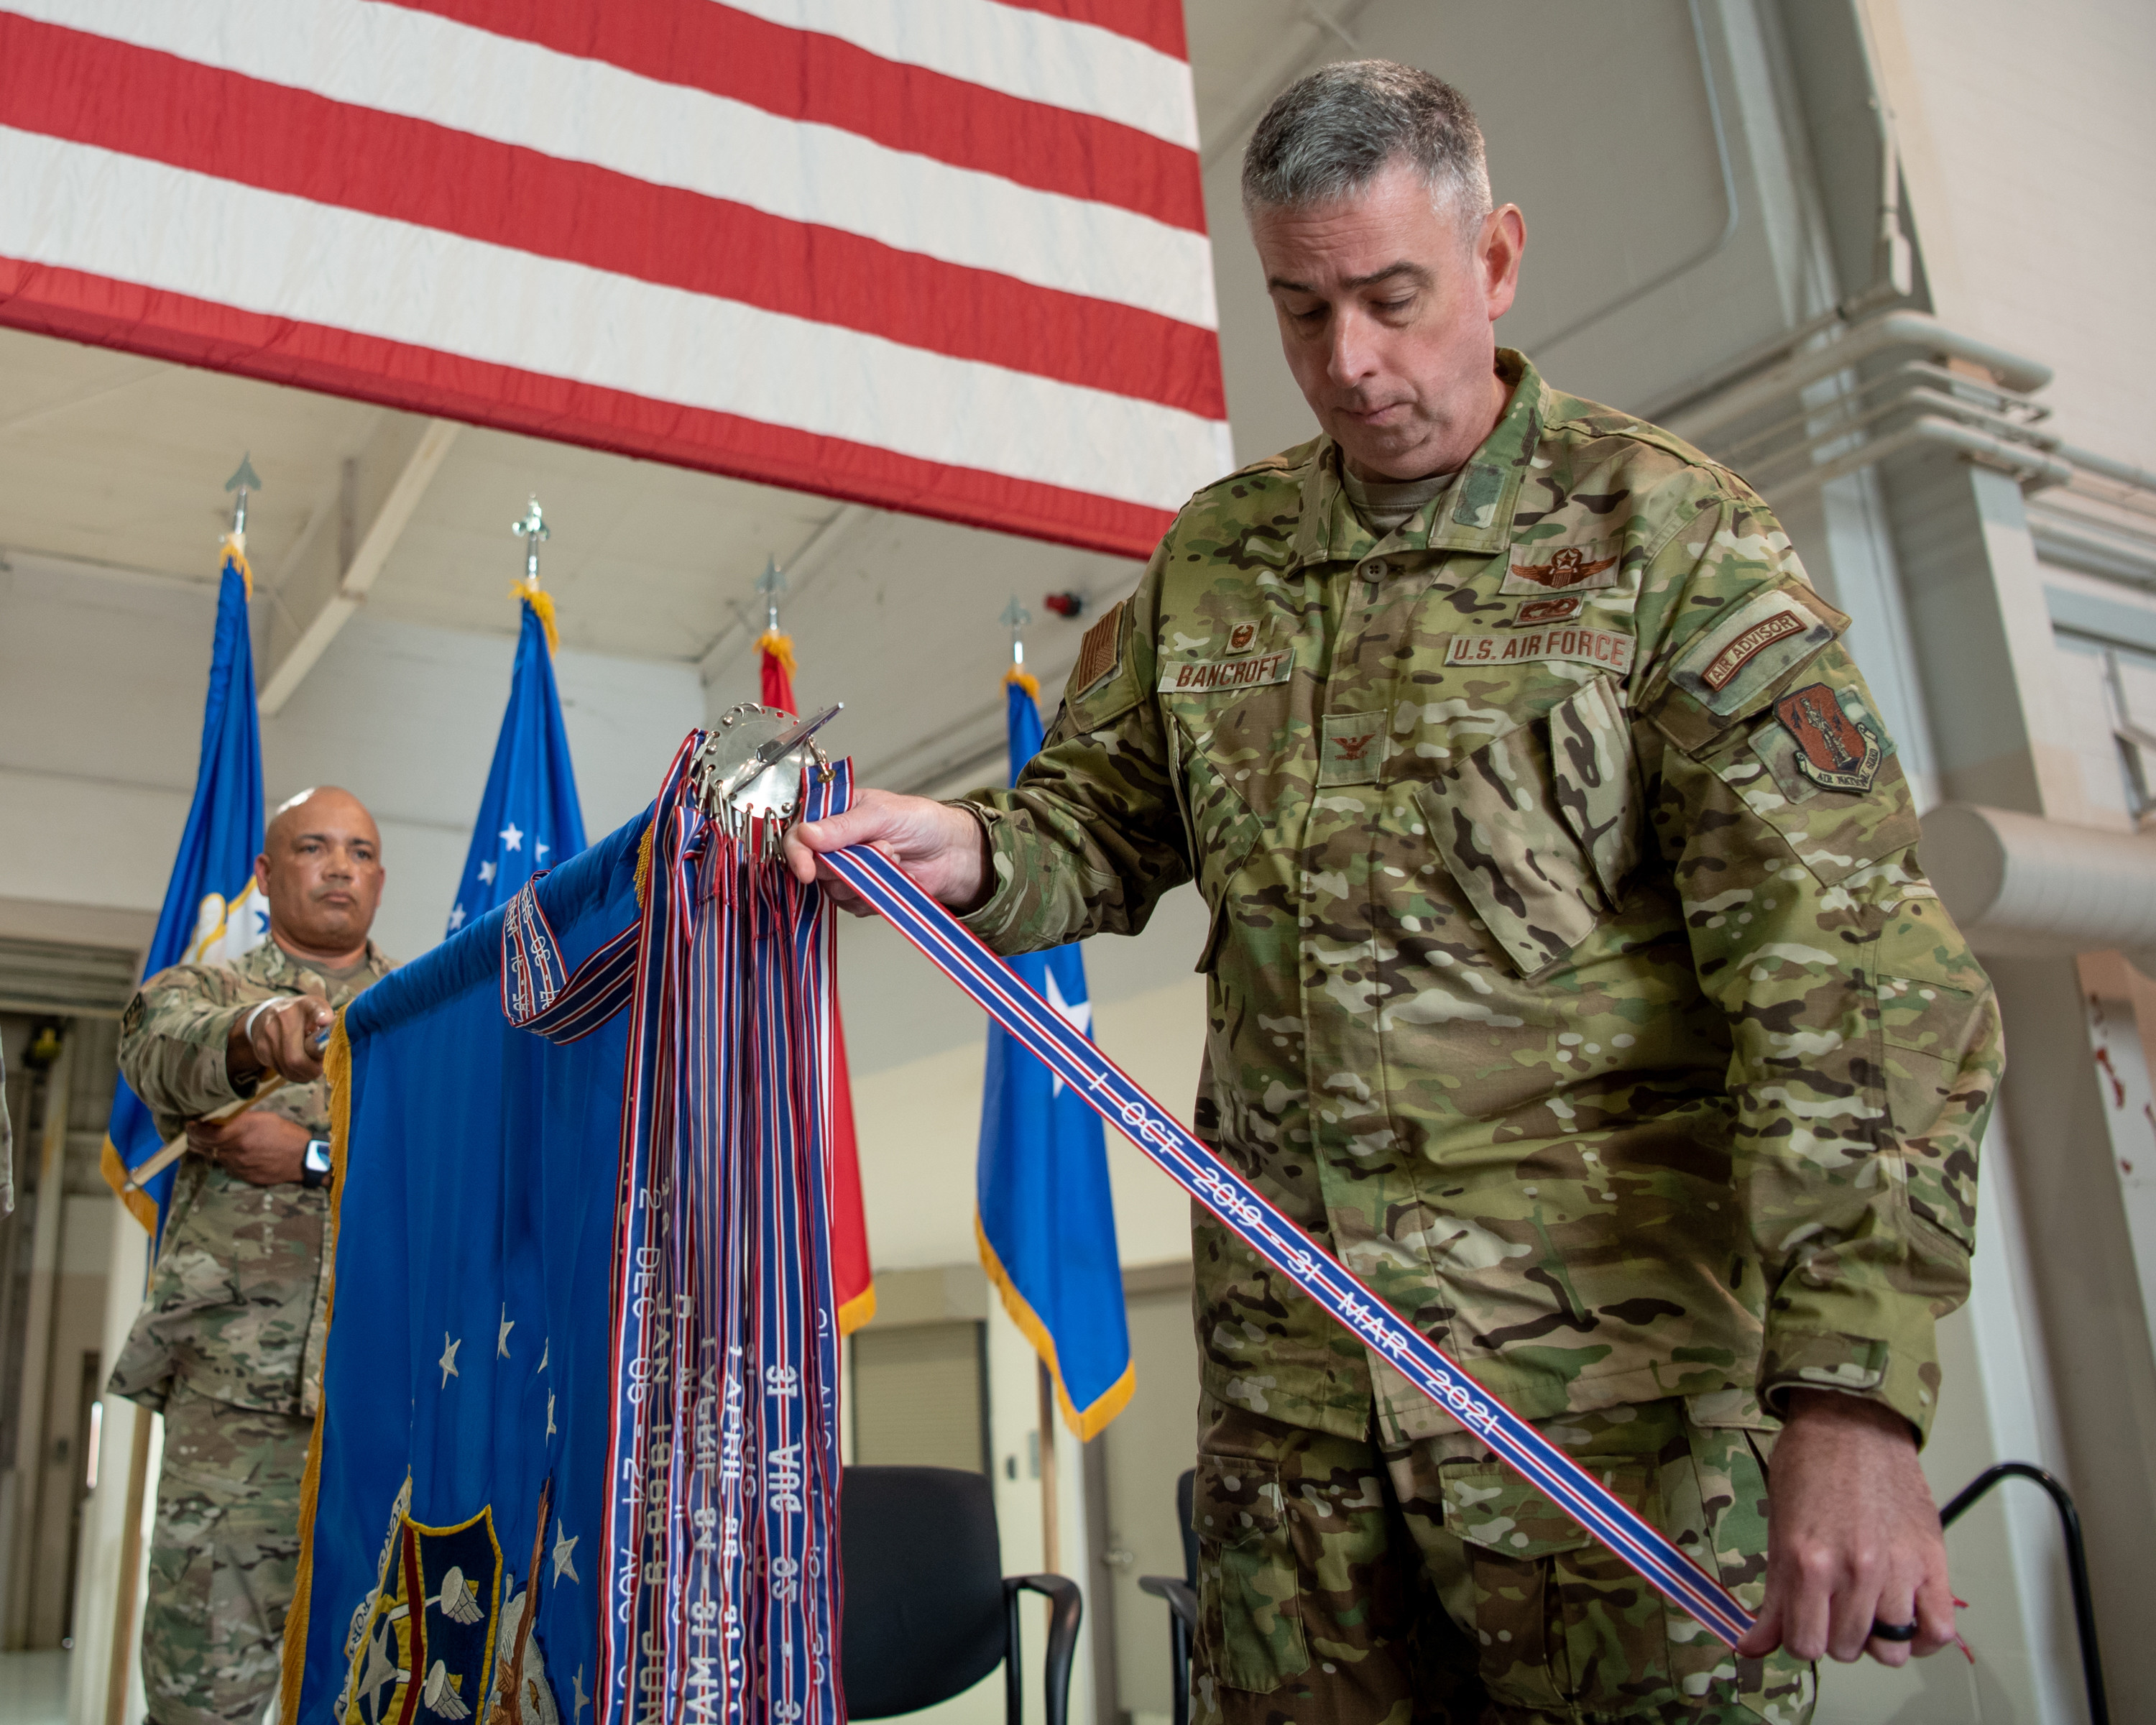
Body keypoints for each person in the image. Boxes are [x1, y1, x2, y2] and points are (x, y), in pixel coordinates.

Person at [791, 60, 2001, 1725]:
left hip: (1604, 1419)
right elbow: (1100, 824)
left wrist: (1854, 1405)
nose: (1348, 364)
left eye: (1390, 298)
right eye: (1300, 312)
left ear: (1495, 262)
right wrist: (983, 854)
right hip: (1299, 1439)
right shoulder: (1220, 562)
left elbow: (1857, 986)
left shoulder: (1670, 544)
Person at [112, 786, 392, 1725]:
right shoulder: (205, 992)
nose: (340, 866)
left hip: (381, 1408)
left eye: (359, 851)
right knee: (203, 1698)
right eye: (315, 847)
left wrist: (312, 1156)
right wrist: (256, 1035)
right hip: (233, 1415)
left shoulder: (421, 1018)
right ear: (267, 874)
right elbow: (160, 1053)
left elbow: (461, 1165)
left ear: (380, 877)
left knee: (380, 1687)